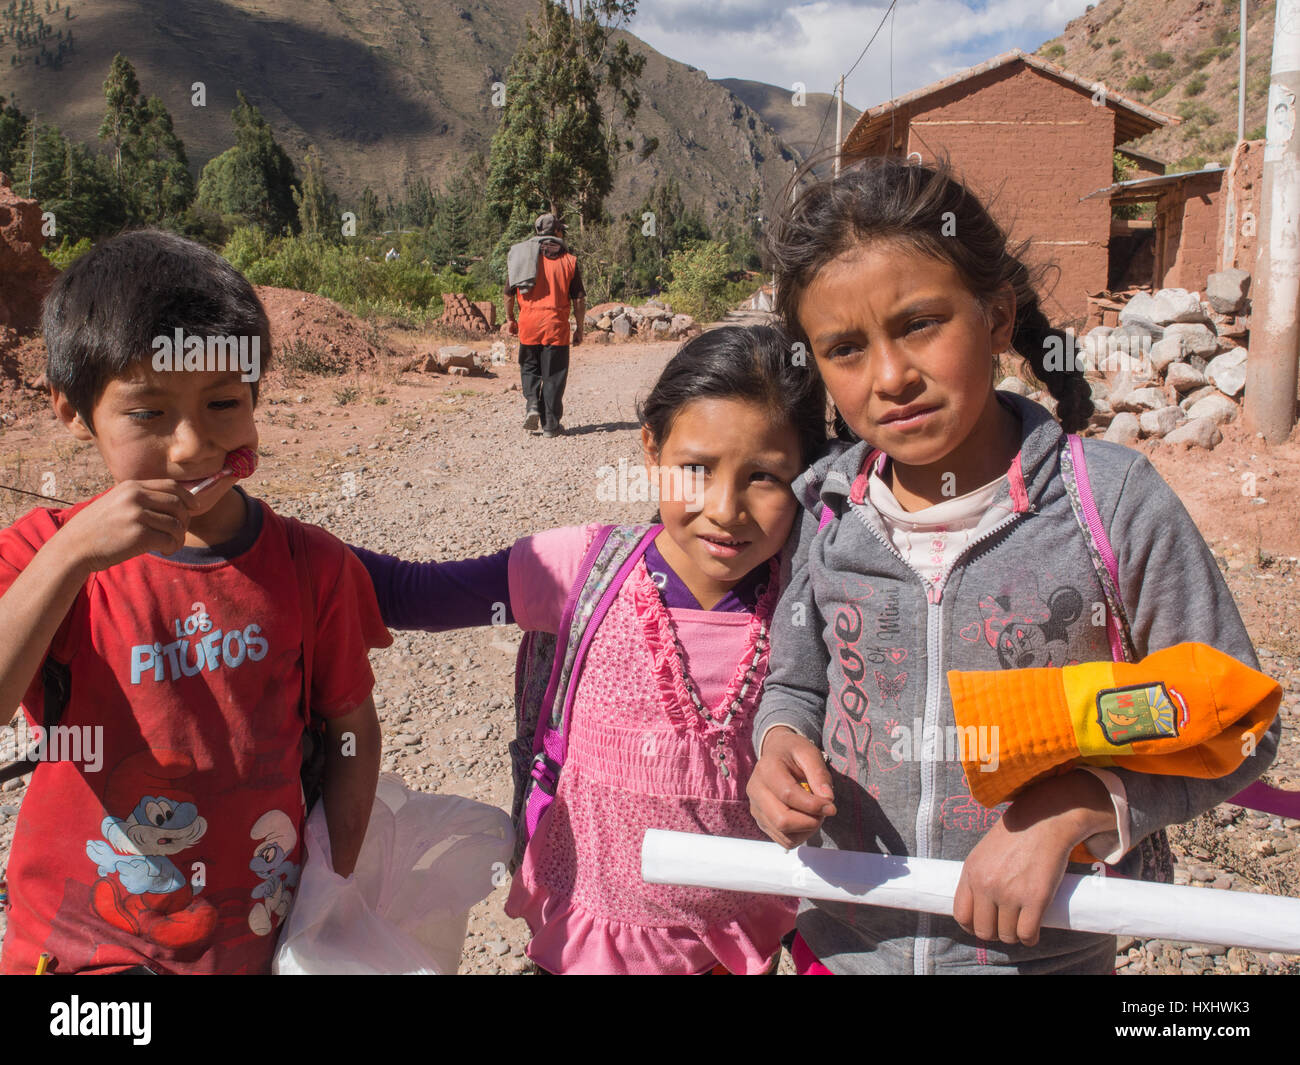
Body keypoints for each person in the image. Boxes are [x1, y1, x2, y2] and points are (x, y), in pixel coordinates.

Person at [746, 157, 1282, 975]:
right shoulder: (825, 510)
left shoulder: (1111, 502)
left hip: (1041, 959)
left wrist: (1072, 805)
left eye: (920, 323)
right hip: (840, 949)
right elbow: (797, 683)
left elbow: (1241, 720)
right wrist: (777, 743)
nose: (890, 377)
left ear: (997, 317)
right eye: (846, 348)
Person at [350, 325, 826, 973]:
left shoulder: (812, 605)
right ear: (651, 449)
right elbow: (409, 592)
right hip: (585, 940)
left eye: (764, 476)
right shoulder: (582, 568)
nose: (724, 508)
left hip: (728, 948)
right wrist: (255, 540)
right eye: (696, 469)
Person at [0, 231, 391, 975]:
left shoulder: (314, 566)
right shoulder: (42, 553)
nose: (190, 447)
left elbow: (351, 734)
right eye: (147, 414)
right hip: (85, 947)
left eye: (221, 403)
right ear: (71, 410)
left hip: (250, 940)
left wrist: (329, 899)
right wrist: (73, 552)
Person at [505, 213, 586, 438]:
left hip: (529, 324)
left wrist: (510, 319)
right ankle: (550, 425)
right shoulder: (569, 260)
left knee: (530, 368)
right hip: (556, 327)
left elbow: (508, 293)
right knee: (553, 375)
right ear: (557, 232)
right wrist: (580, 327)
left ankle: (532, 404)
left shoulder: (521, 255)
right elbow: (578, 298)